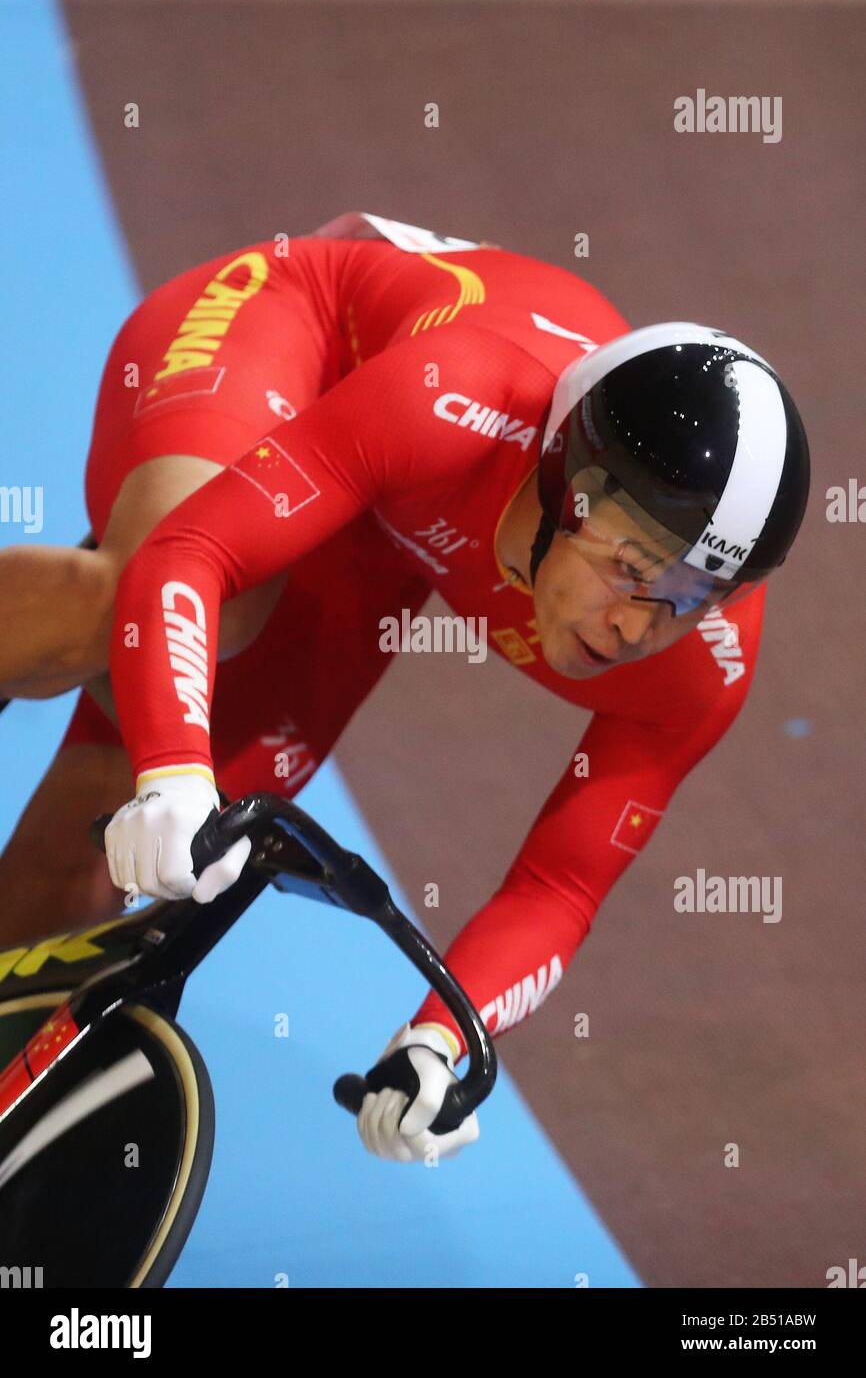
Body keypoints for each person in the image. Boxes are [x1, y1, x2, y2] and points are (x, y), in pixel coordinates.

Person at [1, 214, 810, 1163]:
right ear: (564, 488)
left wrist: (442, 1036)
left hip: (391, 513)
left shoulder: (703, 661)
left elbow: (561, 883)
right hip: (305, 335)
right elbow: (192, 554)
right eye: (633, 566)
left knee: (122, 854)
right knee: (181, 620)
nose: (642, 624)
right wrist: (170, 765)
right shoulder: (458, 398)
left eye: (688, 594)